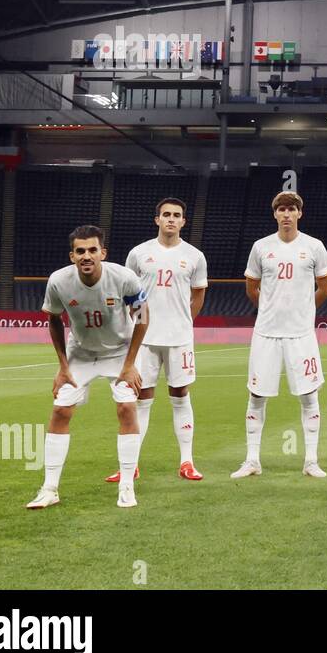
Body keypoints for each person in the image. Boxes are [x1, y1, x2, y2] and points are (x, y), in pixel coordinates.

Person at [26, 225, 149, 509]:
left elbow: (142, 318)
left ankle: (127, 486)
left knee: (127, 408)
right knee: (60, 410)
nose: (86, 256)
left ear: (102, 253)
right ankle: (49, 489)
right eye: (80, 251)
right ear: (72, 255)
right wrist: (62, 366)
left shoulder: (124, 278)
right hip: (80, 353)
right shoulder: (58, 281)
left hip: (120, 352)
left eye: (92, 250)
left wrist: (130, 365)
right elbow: (54, 320)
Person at [231, 192, 327, 479]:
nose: (287, 214)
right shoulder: (261, 247)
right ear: (275, 214)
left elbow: (325, 288)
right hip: (267, 333)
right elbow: (252, 288)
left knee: (309, 394)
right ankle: (252, 460)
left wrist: (303, 310)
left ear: (300, 213)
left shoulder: (314, 246)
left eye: (292, 209)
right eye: (282, 209)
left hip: (301, 334)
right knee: (257, 394)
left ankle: (311, 460)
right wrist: (269, 309)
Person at [111, 197, 207, 483]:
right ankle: (132, 465)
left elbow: (198, 295)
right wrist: (138, 323)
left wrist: (183, 321)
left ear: (183, 221)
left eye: (176, 215)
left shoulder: (194, 256)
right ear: (157, 219)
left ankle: (187, 462)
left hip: (179, 338)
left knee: (180, 396)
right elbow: (127, 294)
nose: (171, 219)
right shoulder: (139, 254)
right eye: (166, 214)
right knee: (142, 398)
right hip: (145, 339)